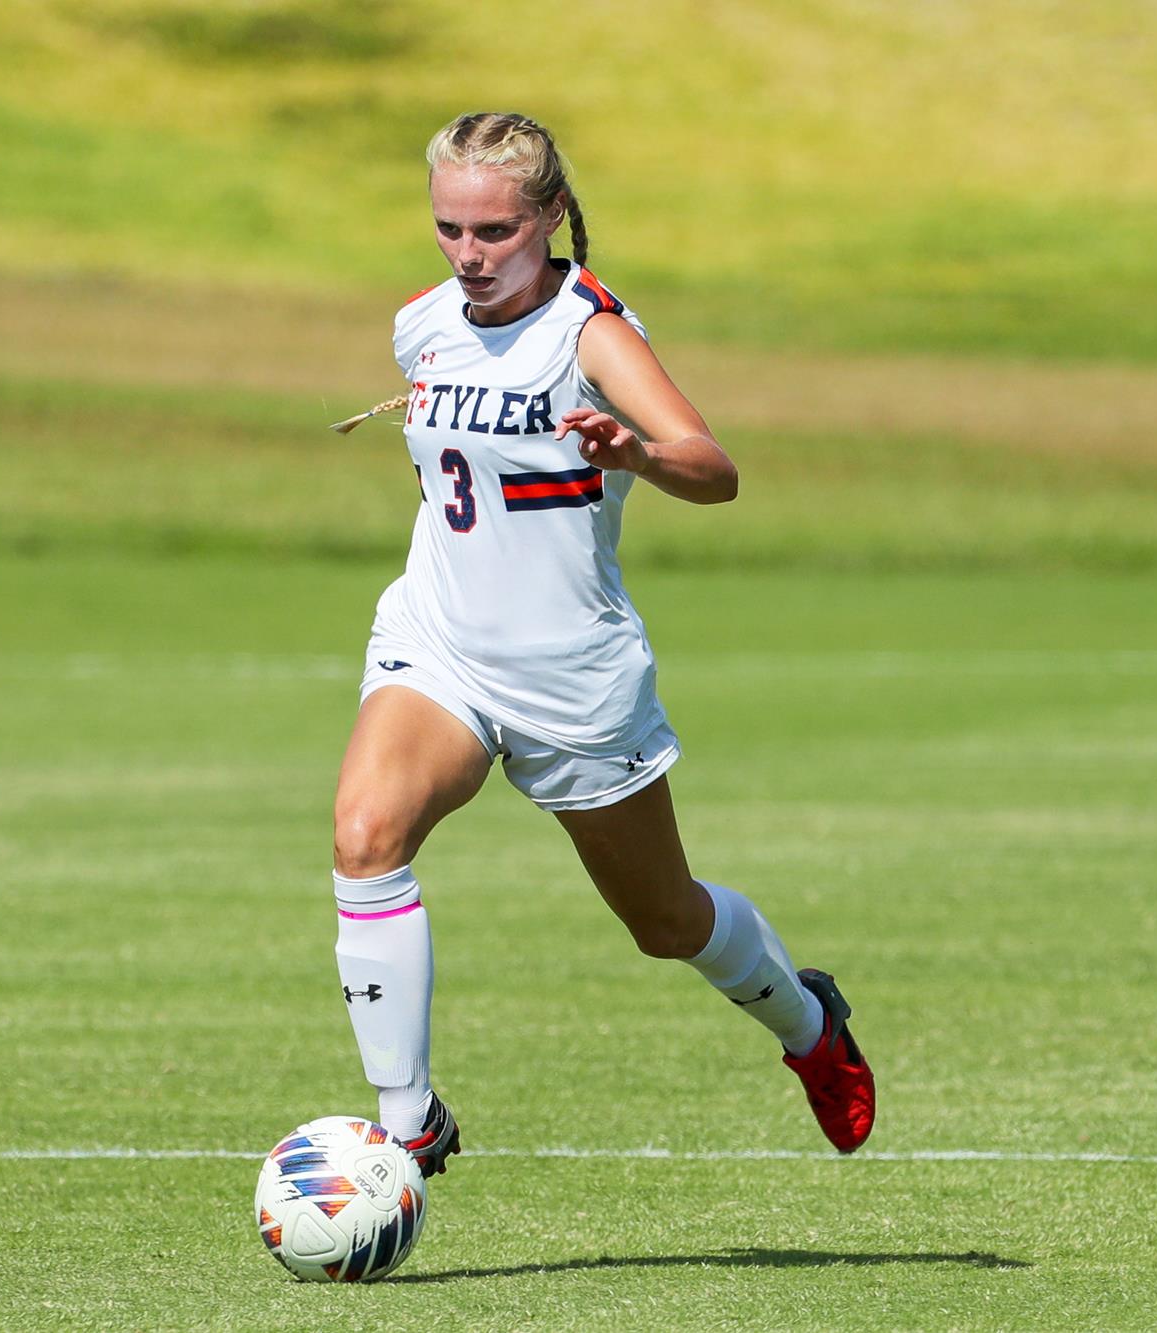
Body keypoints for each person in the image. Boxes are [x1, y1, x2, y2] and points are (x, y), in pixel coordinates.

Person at [330, 112, 874, 1175]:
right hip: (438, 644)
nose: (468, 254)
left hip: (570, 678)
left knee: (666, 921)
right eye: (448, 228)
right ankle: (407, 1122)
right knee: (364, 835)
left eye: (494, 231)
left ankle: (809, 1026)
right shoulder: (422, 324)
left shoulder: (593, 335)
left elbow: (714, 469)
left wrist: (638, 453)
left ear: (548, 218)